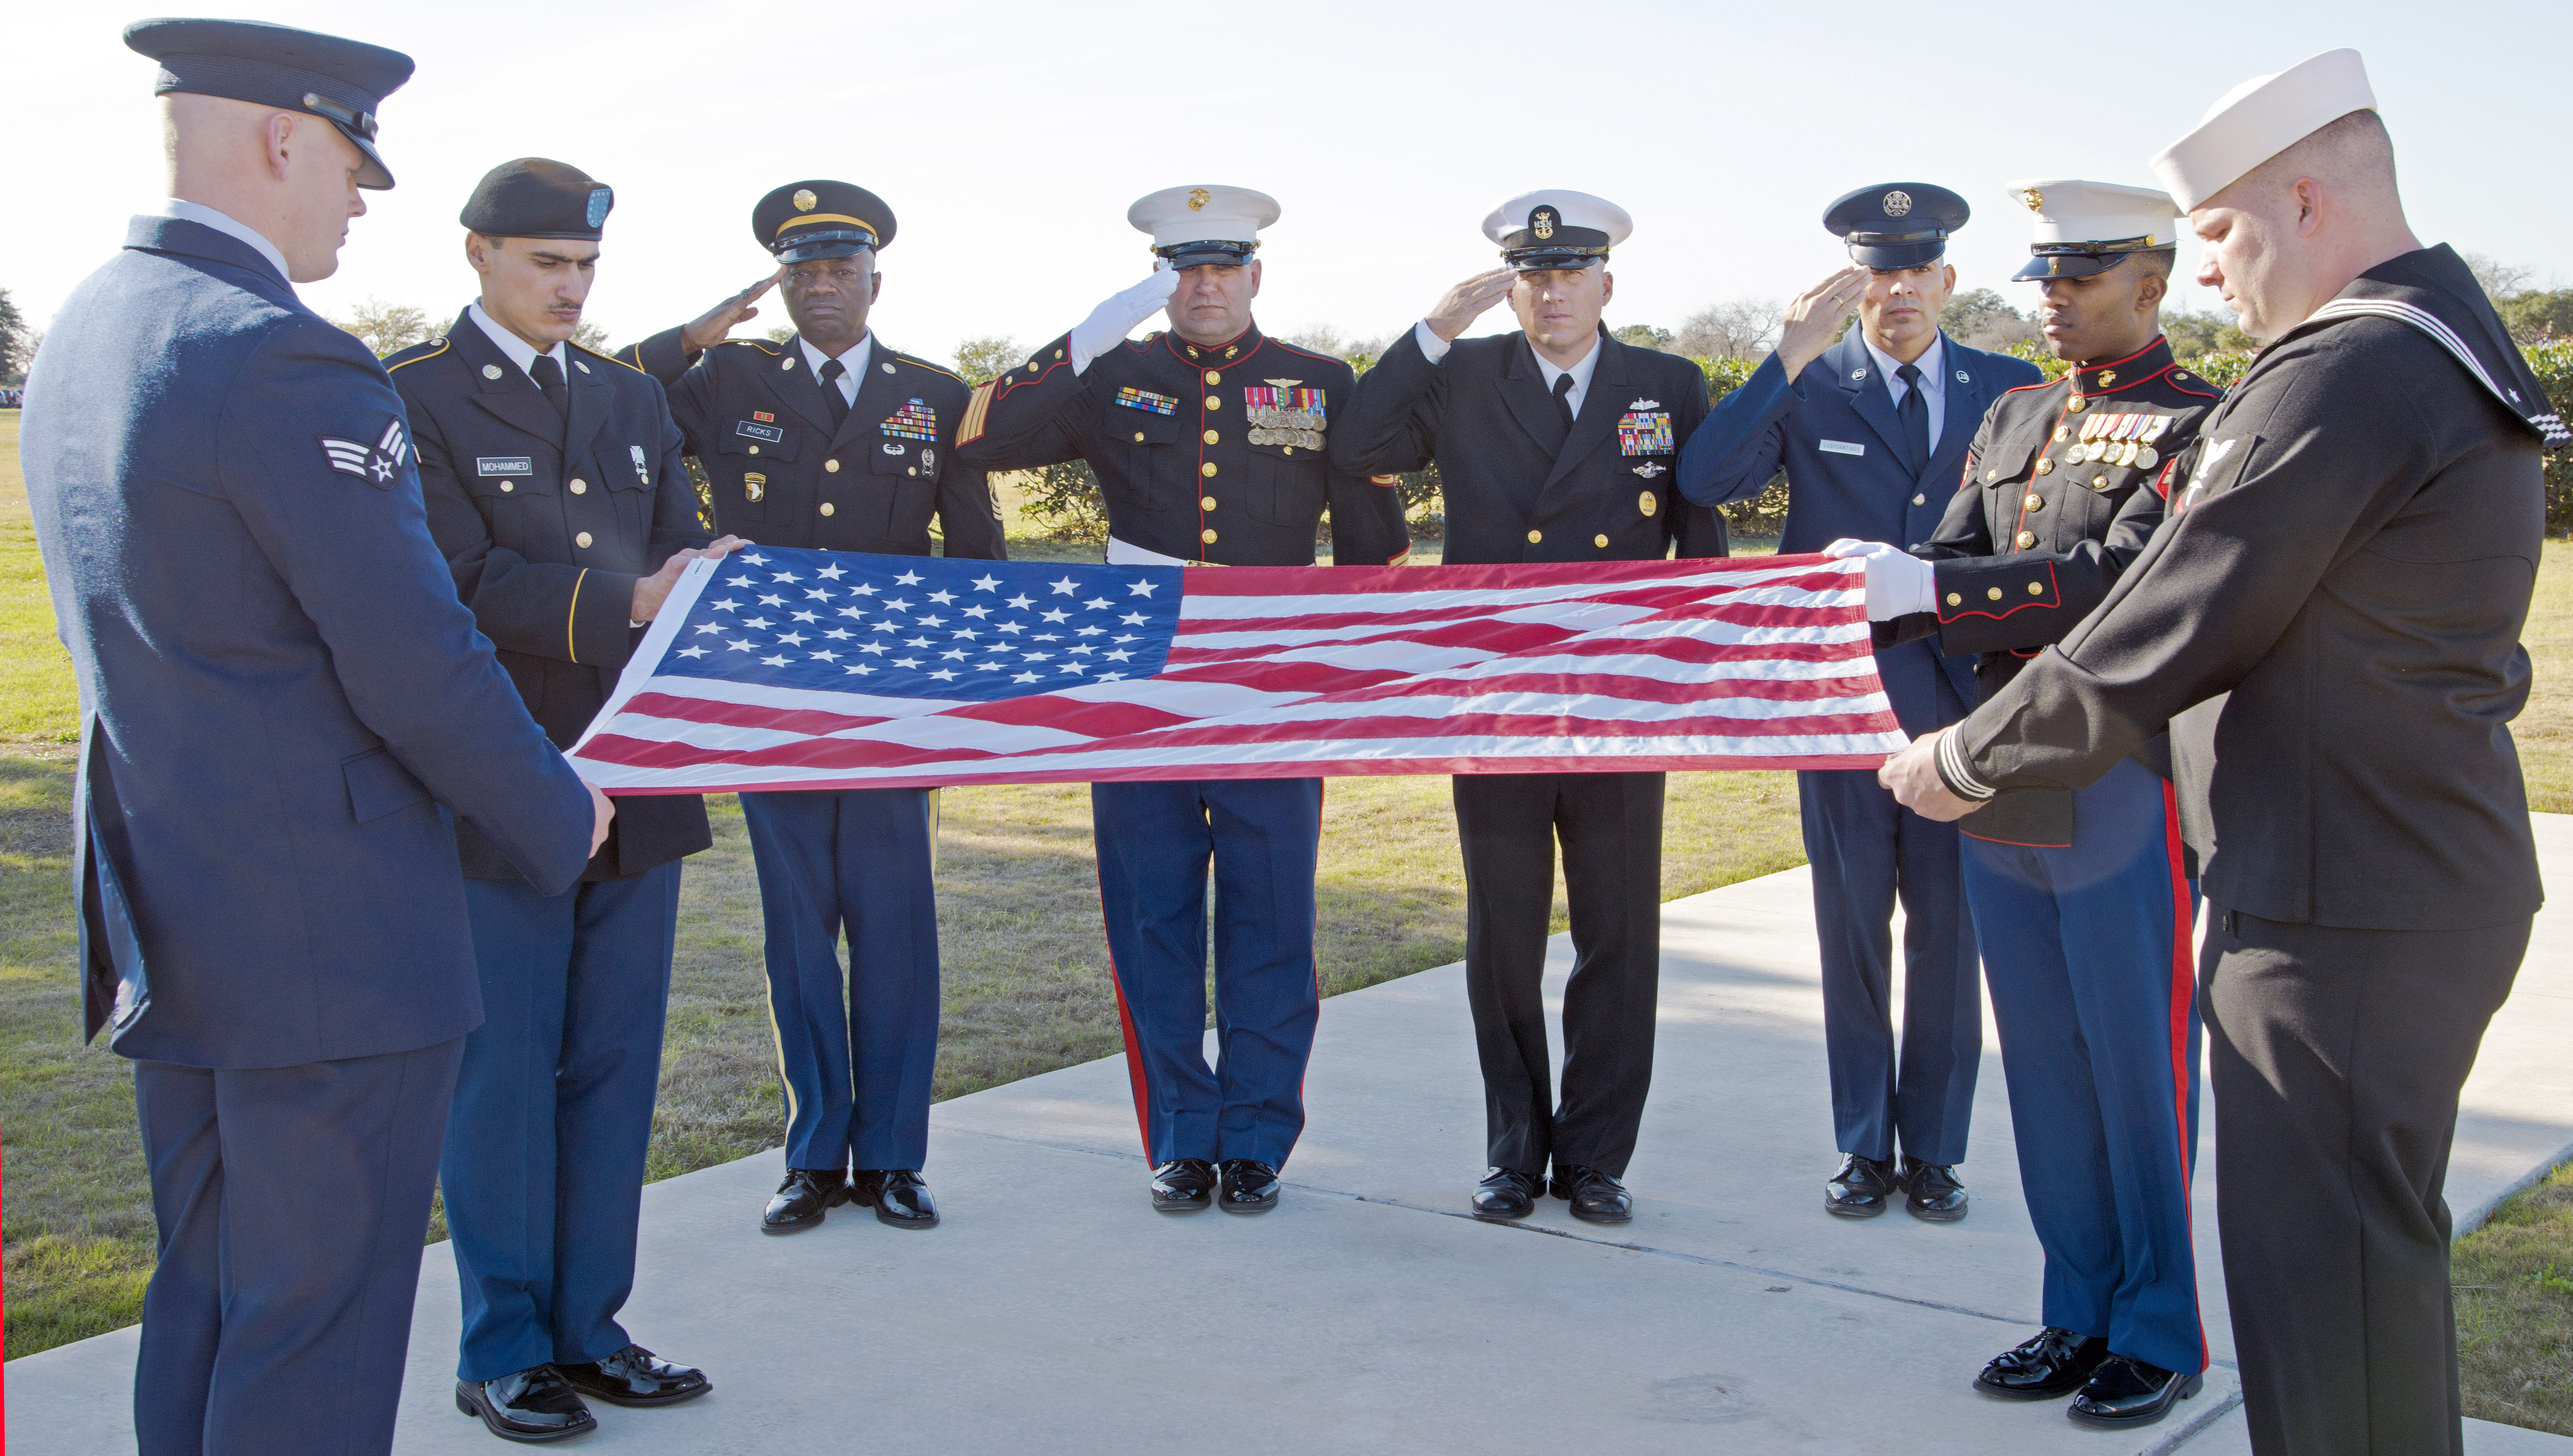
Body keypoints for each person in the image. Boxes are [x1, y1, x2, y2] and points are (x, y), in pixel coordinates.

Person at [1879, 49, 2564, 1456]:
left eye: (2220, 233)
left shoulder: (2352, 367)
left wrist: (1972, 759)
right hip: (2389, 871)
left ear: (2307, 202)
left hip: (2336, 903)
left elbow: (2177, 611)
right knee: (2357, 1288)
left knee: (2325, 1303)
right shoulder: (2439, 343)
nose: (2205, 273)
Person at [21, 21, 609, 1455]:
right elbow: (415, 660)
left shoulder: (94, 321)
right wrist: (561, 808)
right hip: (327, 934)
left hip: (179, 902)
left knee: (215, 1293)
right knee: (315, 1328)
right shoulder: (282, 357)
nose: (359, 199)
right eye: (352, 163)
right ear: (284, 137)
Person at [1835, 179, 2221, 1430]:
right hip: (2003, 771)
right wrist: (1885, 580)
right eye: (2045, 278)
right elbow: (1957, 553)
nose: (2054, 299)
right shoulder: (2015, 415)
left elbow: (2125, 579)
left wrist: (1932, 593)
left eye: (2082, 277)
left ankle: (2158, 1329)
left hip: (2118, 778)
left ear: (2151, 284)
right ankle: (2080, 1308)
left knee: (2139, 1064)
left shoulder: (2200, 421)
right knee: (2047, 1065)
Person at [952, 185, 1410, 1215]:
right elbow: (981, 439)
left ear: (1257, 274)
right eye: (1182, 271)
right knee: (1152, 915)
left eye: (1222, 268)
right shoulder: (1113, 375)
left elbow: (1370, 539)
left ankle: (1254, 1140)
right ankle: (1177, 1135)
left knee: (1273, 913)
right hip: (1138, 673)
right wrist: (1094, 332)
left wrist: (1349, 671)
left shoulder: (1320, 381)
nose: (1205, 287)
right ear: (1157, 282)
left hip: (1270, 678)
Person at [388, 158, 739, 1442]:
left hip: (635, 774)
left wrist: (709, 572)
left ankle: (592, 1329)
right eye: (548, 263)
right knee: (505, 1076)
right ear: (477, 254)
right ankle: (502, 1348)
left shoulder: (629, 396)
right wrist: (629, 599)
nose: (573, 288)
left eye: (587, 266)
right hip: (506, 778)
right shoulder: (413, 396)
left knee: (611, 1069)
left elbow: (671, 537)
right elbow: (447, 582)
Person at [1333, 191, 1728, 1225]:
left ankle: (1596, 1158)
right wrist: (1435, 328)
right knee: (1504, 932)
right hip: (1499, 689)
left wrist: (1689, 676)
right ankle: (1514, 1151)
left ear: (1608, 284)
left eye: (1571, 274)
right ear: (1509, 290)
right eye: (1534, 277)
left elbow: (1700, 538)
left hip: (1619, 694)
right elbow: (1358, 444)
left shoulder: (1667, 384)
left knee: (1619, 932)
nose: (1553, 293)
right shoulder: (1462, 374)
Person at [619, 180, 1005, 1235]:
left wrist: (960, 693)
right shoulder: (724, 379)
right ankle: (813, 1157)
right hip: (771, 695)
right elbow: (608, 398)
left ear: (877, 281)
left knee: (895, 930)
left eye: (841, 269)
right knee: (797, 931)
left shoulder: (936, 393)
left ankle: (894, 1157)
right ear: (778, 286)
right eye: (802, 273)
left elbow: (975, 553)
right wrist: (688, 339)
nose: (822, 286)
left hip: (891, 705)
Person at [1674, 184, 2040, 1222]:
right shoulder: (1811, 386)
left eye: (1918, 269)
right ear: (1852, 285)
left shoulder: (2008, 387)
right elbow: (1707, 481)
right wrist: (1785, 356)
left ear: (1948, 280)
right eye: (1880, 272)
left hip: (1965, 698)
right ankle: (1863, 1144)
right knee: (1851, 926)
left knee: (1948, 932)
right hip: (1841, 698)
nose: (1900, 290)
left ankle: (1937, 1151)